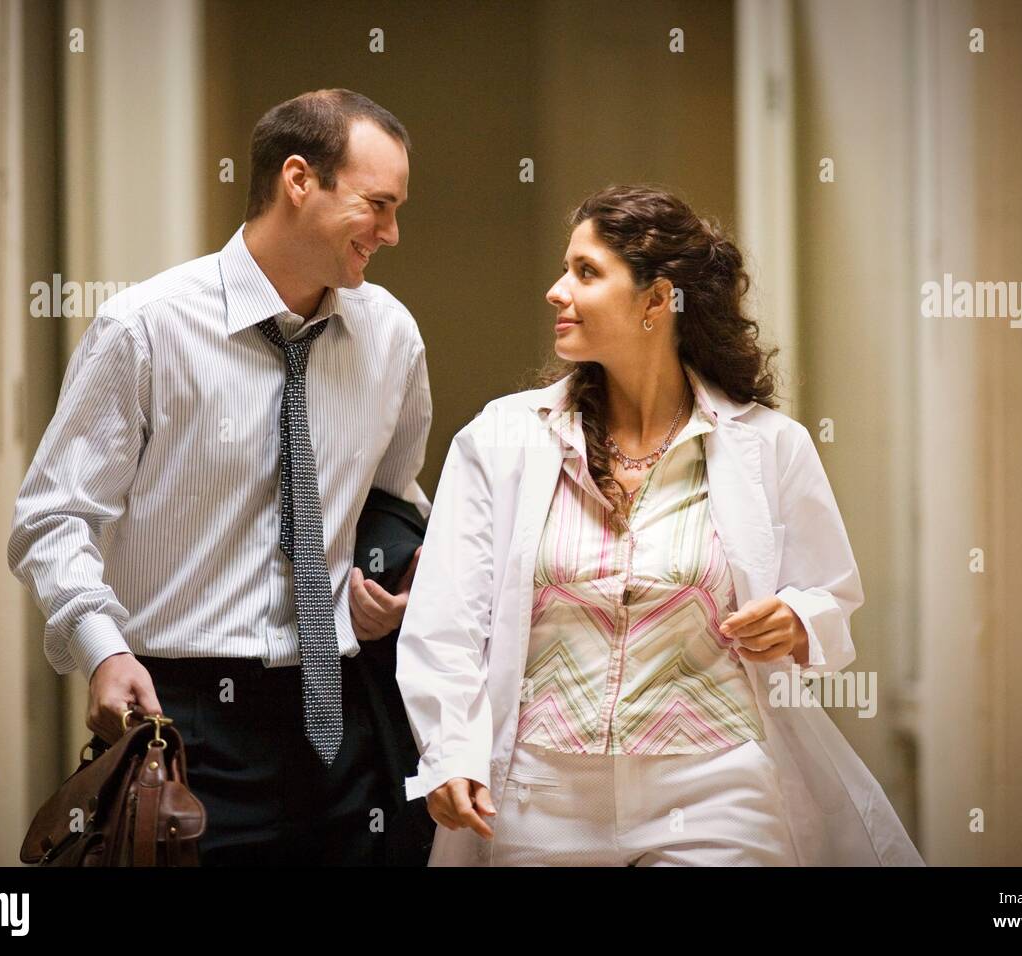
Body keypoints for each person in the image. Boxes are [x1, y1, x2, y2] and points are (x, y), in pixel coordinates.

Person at [396, 184, 924, 866]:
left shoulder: (768, 445)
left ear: (657, 300)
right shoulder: (504, 438)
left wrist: (798, 619)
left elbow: (830, 594)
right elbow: (447, 620)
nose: (557, 291)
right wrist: (450, 749)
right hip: (541, 794)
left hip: (716, 786)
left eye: (586, 273)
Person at [8, 89, 431, 865]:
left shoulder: (392, 337)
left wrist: (393, 583)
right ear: (299, 180)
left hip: (342, 722)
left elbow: (392, 501)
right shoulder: (144, 330)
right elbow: (52, 516)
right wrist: (102, 649)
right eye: (377, 205)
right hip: (185, 721)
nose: (392, 233)